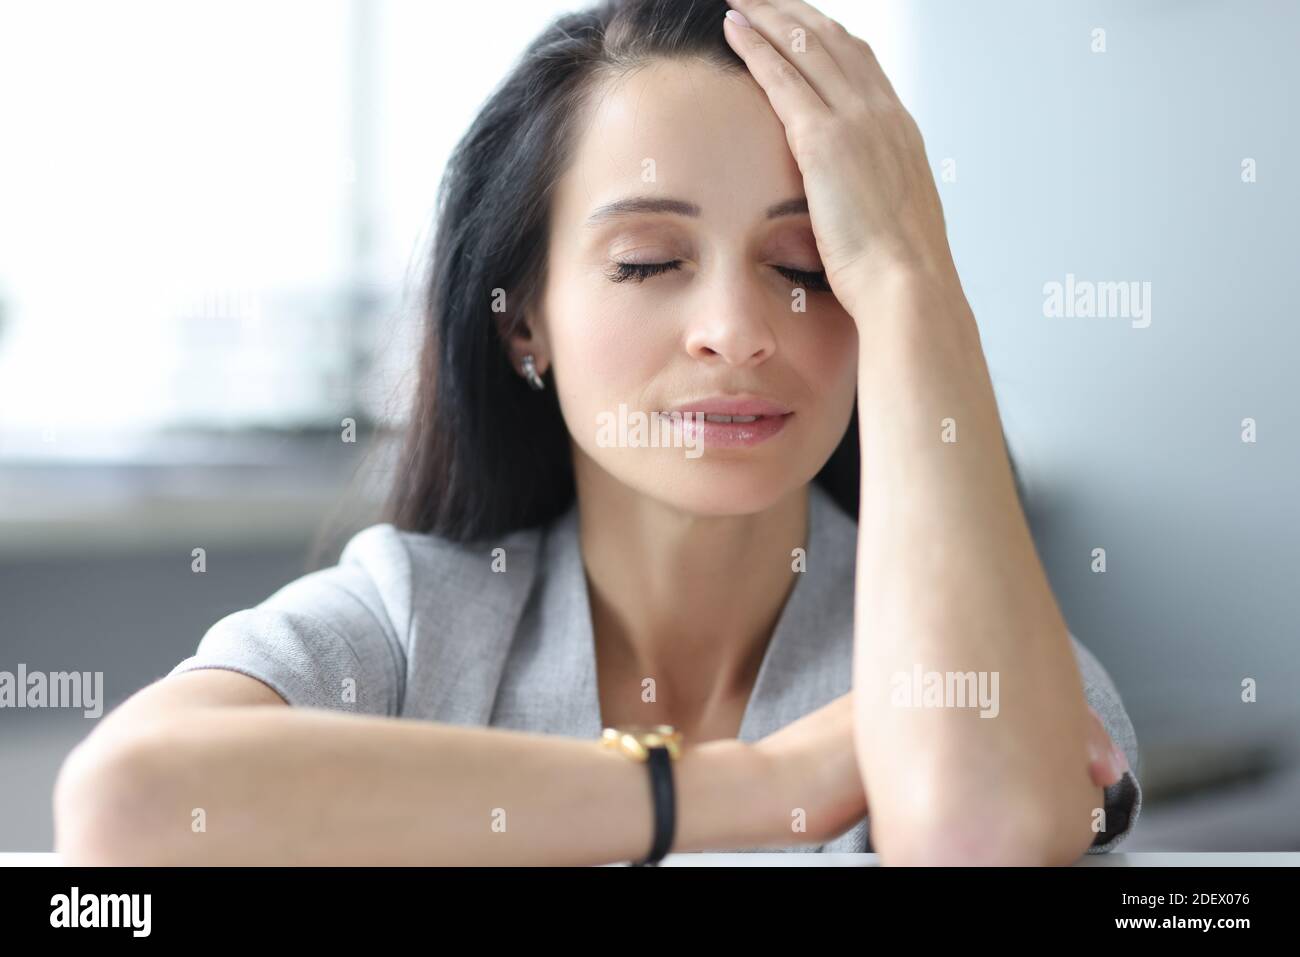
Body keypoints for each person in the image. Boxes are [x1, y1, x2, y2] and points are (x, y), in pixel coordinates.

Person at [52, 0, 1140, 866]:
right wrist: (748, 791)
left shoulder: (999, 661)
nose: (735, 333)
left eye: (808, 270)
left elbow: (979, 841)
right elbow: (126, 803)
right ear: (523, 321)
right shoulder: (411, 622)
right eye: (649, 263)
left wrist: (911, 277)